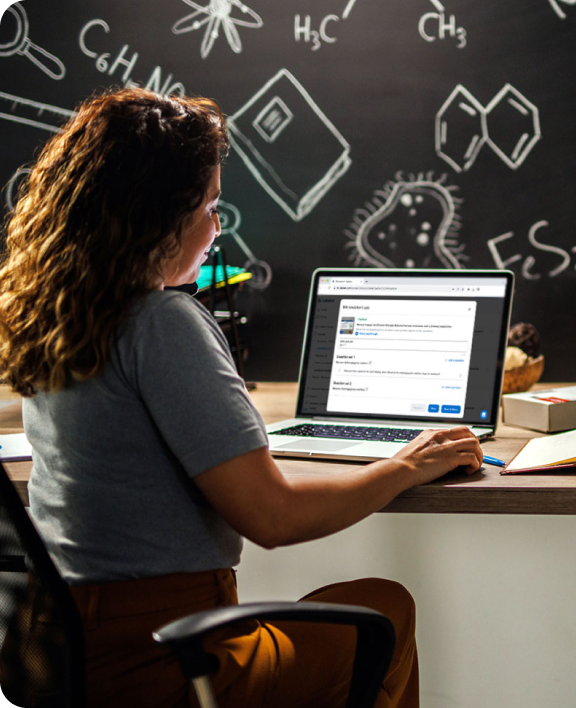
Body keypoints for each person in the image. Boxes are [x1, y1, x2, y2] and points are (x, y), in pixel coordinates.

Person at [0, 87, 483, 708]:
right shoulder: (162, 321)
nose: (216, 225)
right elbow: (272, 518)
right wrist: (406, 466)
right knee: (385, 611)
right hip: (162, 662)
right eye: (209, 206)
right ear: (158, 219)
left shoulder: (59, 317)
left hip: (54, 651)